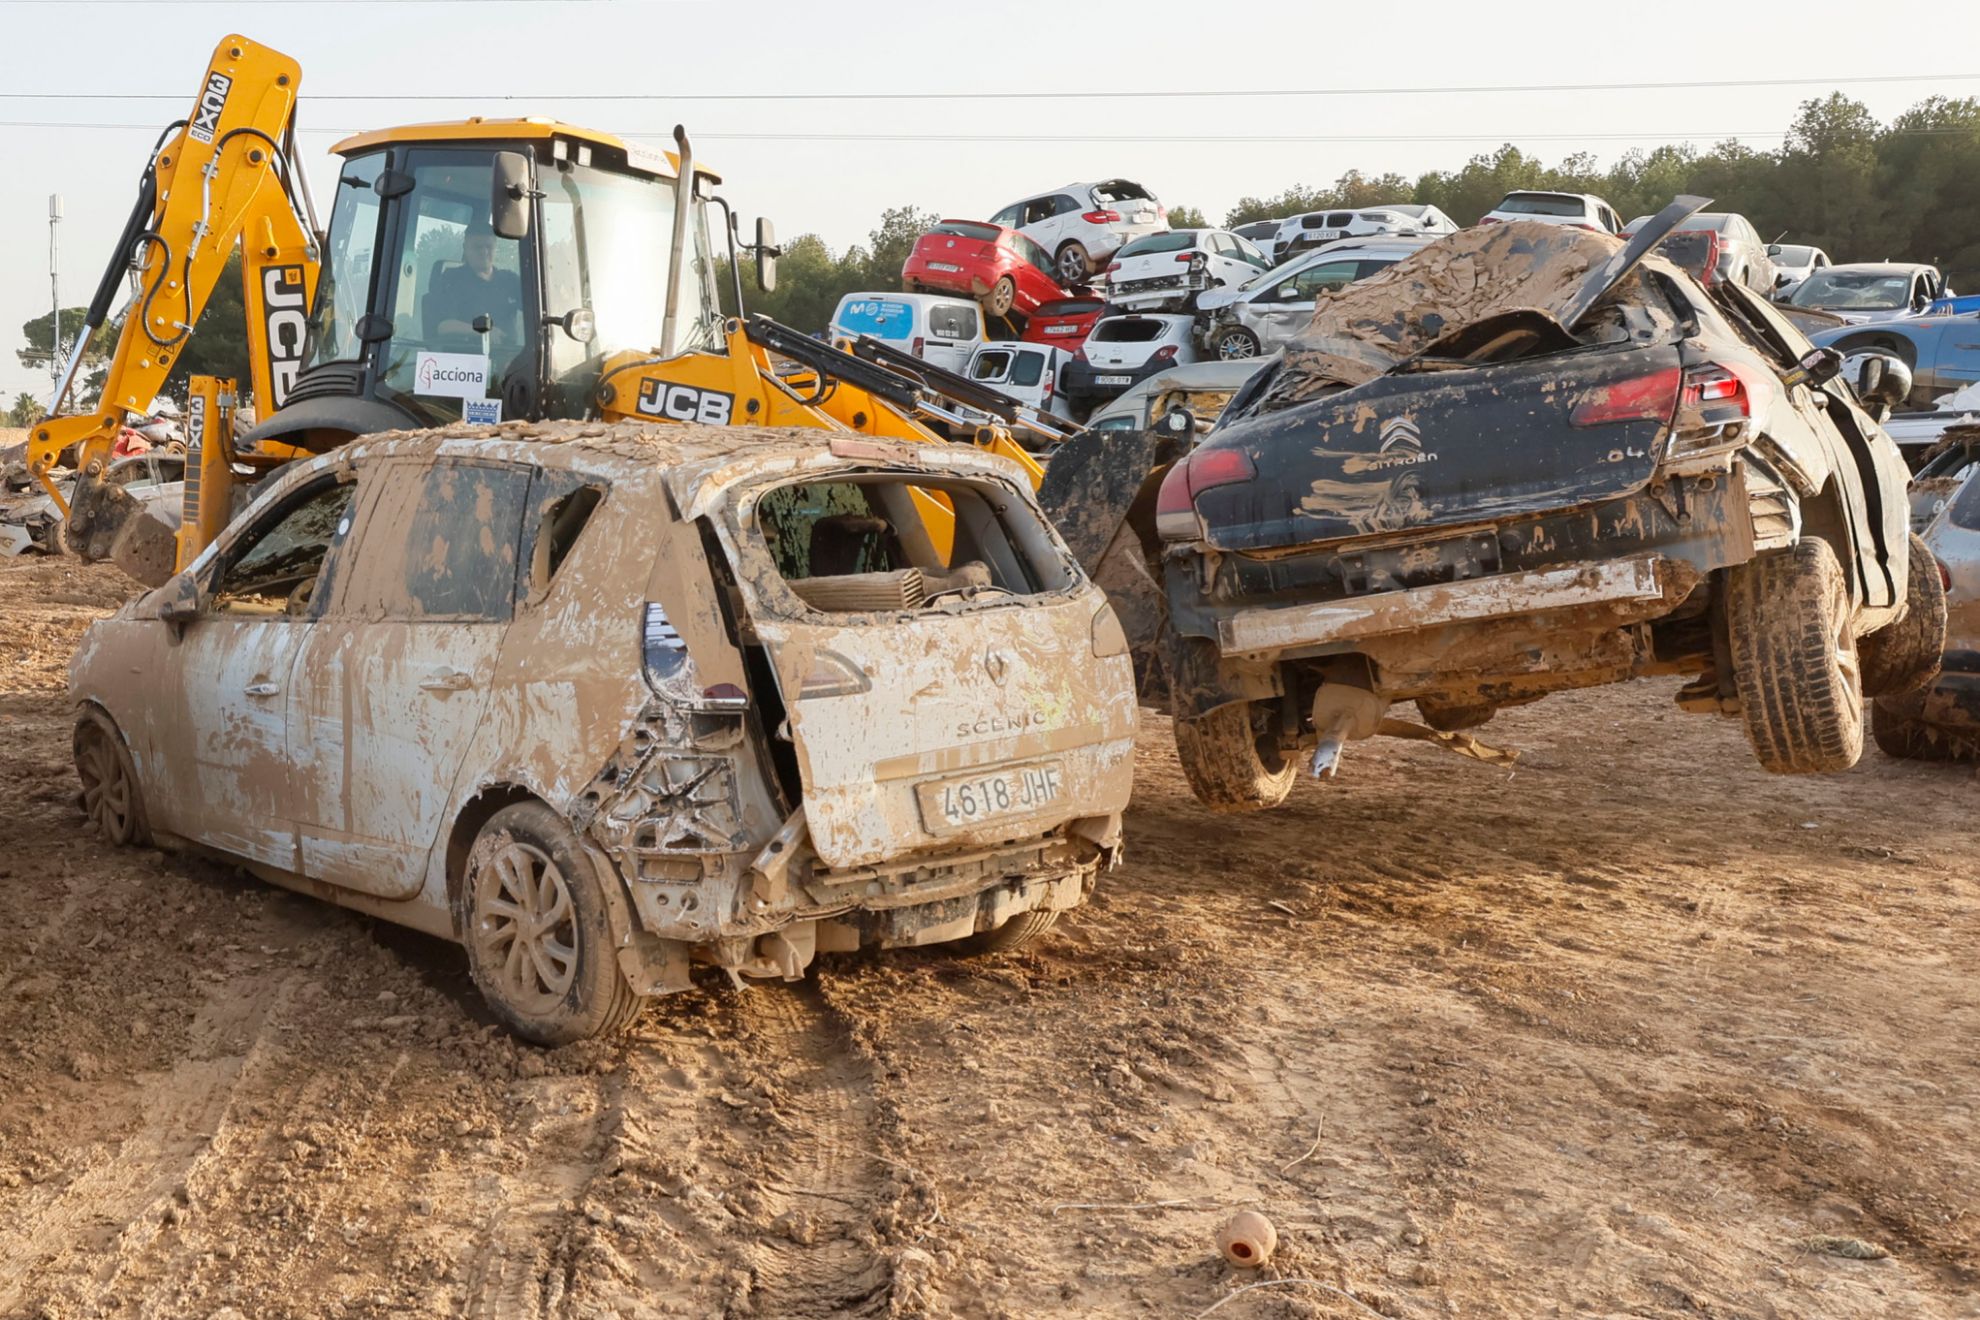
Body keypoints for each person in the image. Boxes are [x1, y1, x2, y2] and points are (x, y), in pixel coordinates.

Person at [425, 224, 522, 345]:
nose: (484, 252)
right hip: (465, 359)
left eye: (488, 246)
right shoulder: (452, 279)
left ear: (495, 247)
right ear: (465, 248)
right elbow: (443, 326)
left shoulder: (510, 280)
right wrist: (484, 332)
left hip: (511, 360)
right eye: (477, 247)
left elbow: (534, 310)